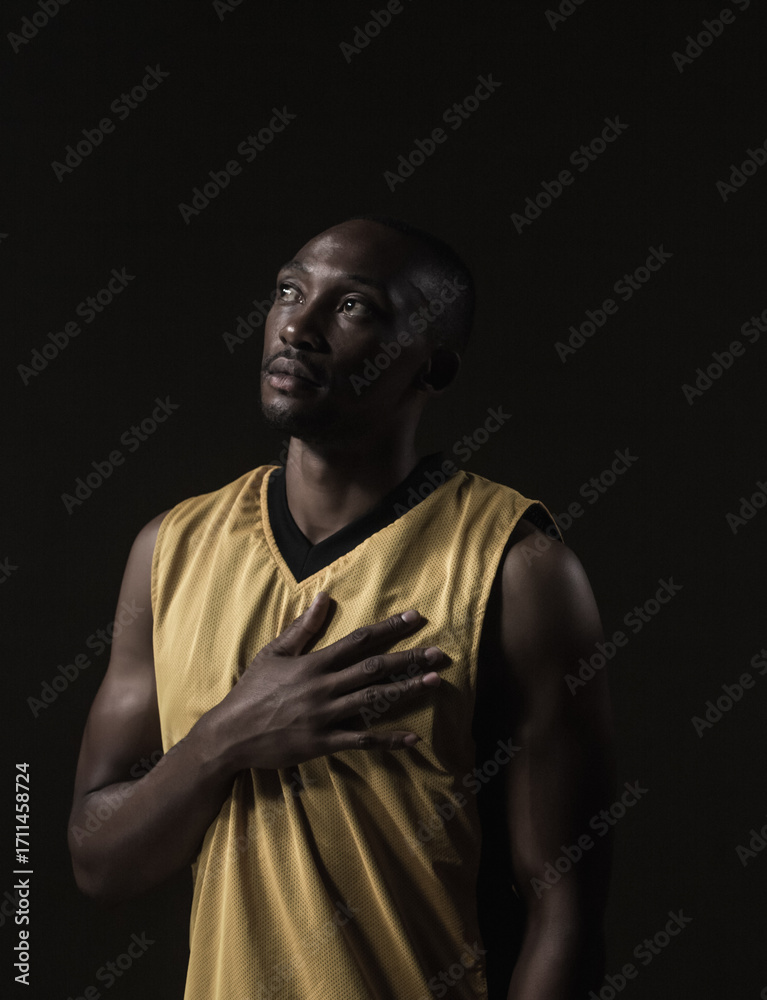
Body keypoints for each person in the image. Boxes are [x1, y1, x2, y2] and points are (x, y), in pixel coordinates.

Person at [68, 215, 615, 999]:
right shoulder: (169, 549)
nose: (297, 326)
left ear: (433, 366)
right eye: (289, 291)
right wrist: (224, 738)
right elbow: (99, 863)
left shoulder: (517, 569)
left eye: (352, 306)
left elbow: (564, 911)